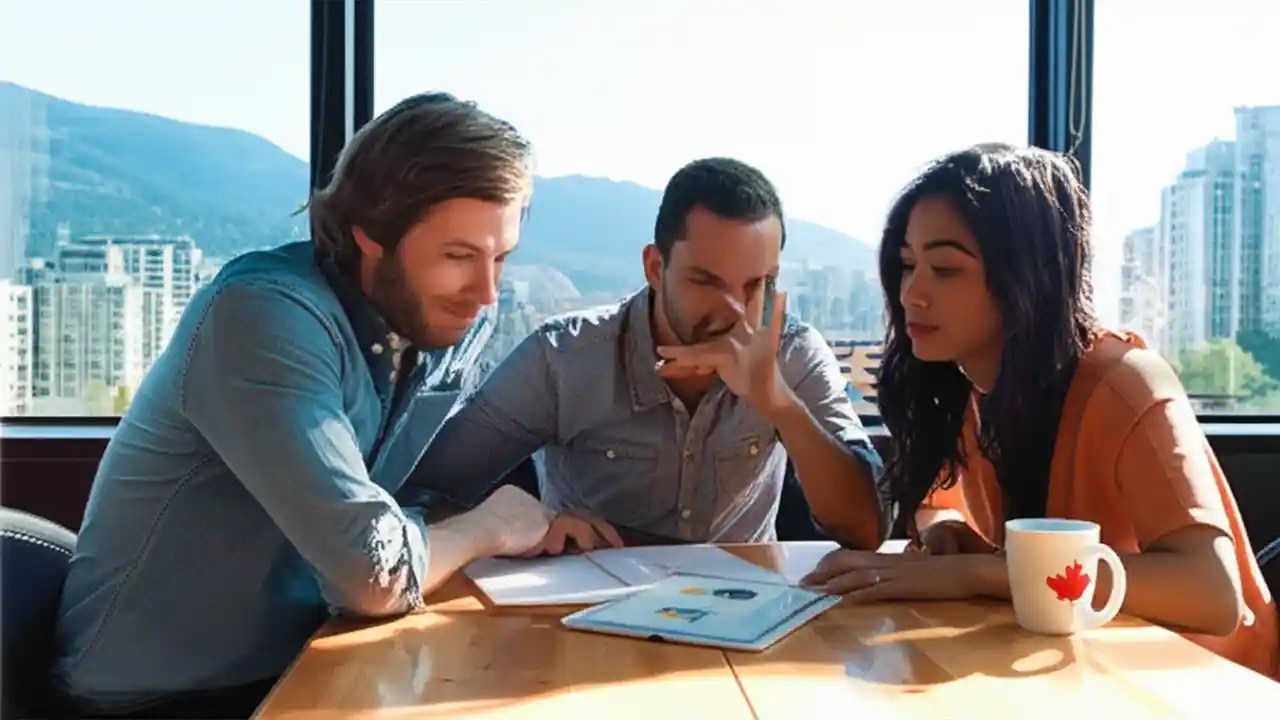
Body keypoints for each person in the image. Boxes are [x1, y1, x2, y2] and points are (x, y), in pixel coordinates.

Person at [51, 92, 555, 718]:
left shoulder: (445, 320)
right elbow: (370, 574)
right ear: (370, 235)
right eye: (458, 257)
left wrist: (536, 527)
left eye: (500, 257)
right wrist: (492, 526)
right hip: (155, 699)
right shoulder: (263, 316)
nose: (486, 293)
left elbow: (418, 497)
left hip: (306, 663)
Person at [800, 143, 1278, 678]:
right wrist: (947, 531)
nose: (912, 294)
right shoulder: (967, 385)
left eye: (946, 269)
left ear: (1033, 274)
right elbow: (939, 502)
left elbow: (1213, 592)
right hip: (1073, 672)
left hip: (1200, 683)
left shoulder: (1125, 383)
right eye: (908, 265)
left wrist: (979, 573)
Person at [405, 157, 888, 552]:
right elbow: (422, 498)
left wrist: (779, 402)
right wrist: (520, 526)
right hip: (581, 611)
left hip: (748, 609)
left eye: (757, 284)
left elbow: (868, 529)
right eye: (706, 282)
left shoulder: (794, 354)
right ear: (655, 268)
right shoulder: (563, 359)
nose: (736, 310)